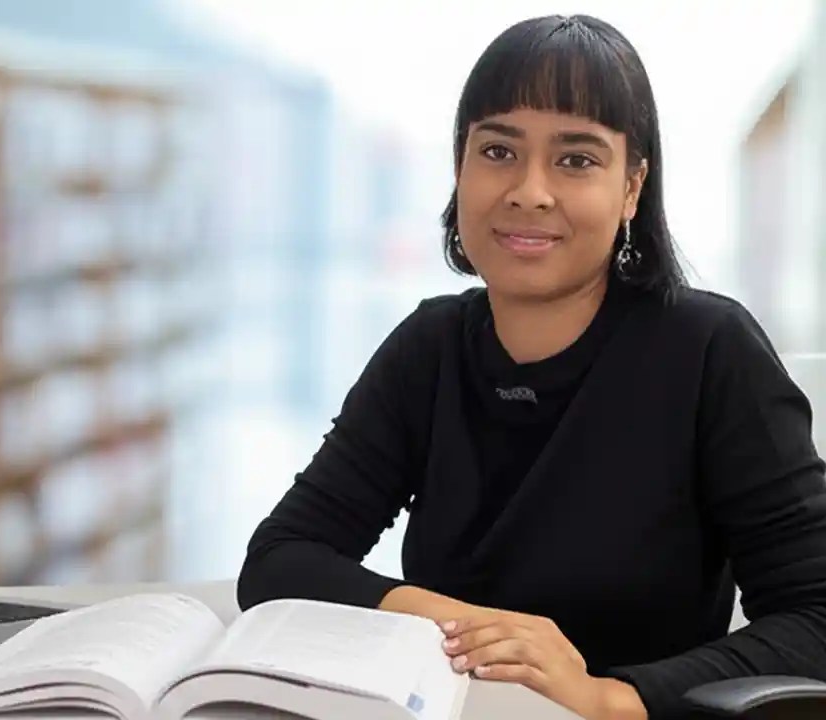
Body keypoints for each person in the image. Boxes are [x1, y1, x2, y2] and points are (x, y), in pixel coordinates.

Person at [235, 13, 826, 720]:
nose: (529, 190)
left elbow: (815, 617)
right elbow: (281, 558)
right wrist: (460, 623)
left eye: (576, 159)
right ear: (460, 168)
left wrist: (613, 697)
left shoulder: (708, 349)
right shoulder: (430, 348)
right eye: (498, 151)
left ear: (632, 188)